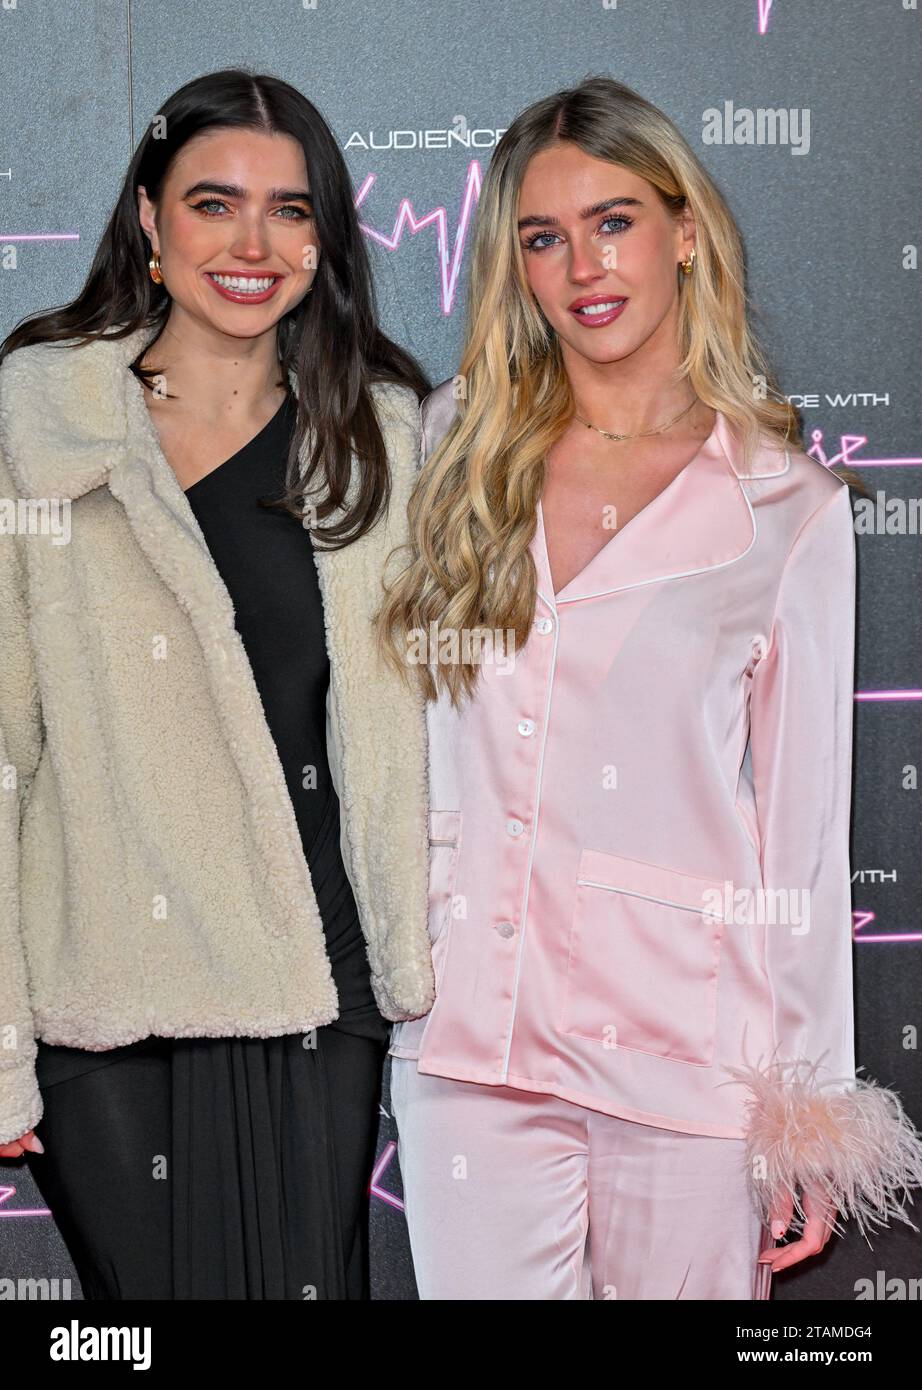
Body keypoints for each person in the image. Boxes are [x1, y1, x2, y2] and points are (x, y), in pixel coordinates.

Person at [376, 75, 922, 1300]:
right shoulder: (447, 449)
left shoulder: (787, 508)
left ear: (685, 230)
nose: (583, 266)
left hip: (686, 1055)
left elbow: (804, 840)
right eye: (543, 237)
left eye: (613, 221)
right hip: (470, 1040)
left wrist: (810, 1111)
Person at [0, 68, 434, 1299]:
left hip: (318, 984)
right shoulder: (39, 424)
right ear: (148, 219)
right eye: (213, 203)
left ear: (325, 237)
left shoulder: (379, 439)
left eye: (290, 211)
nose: (253, 246)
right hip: (111, 994)